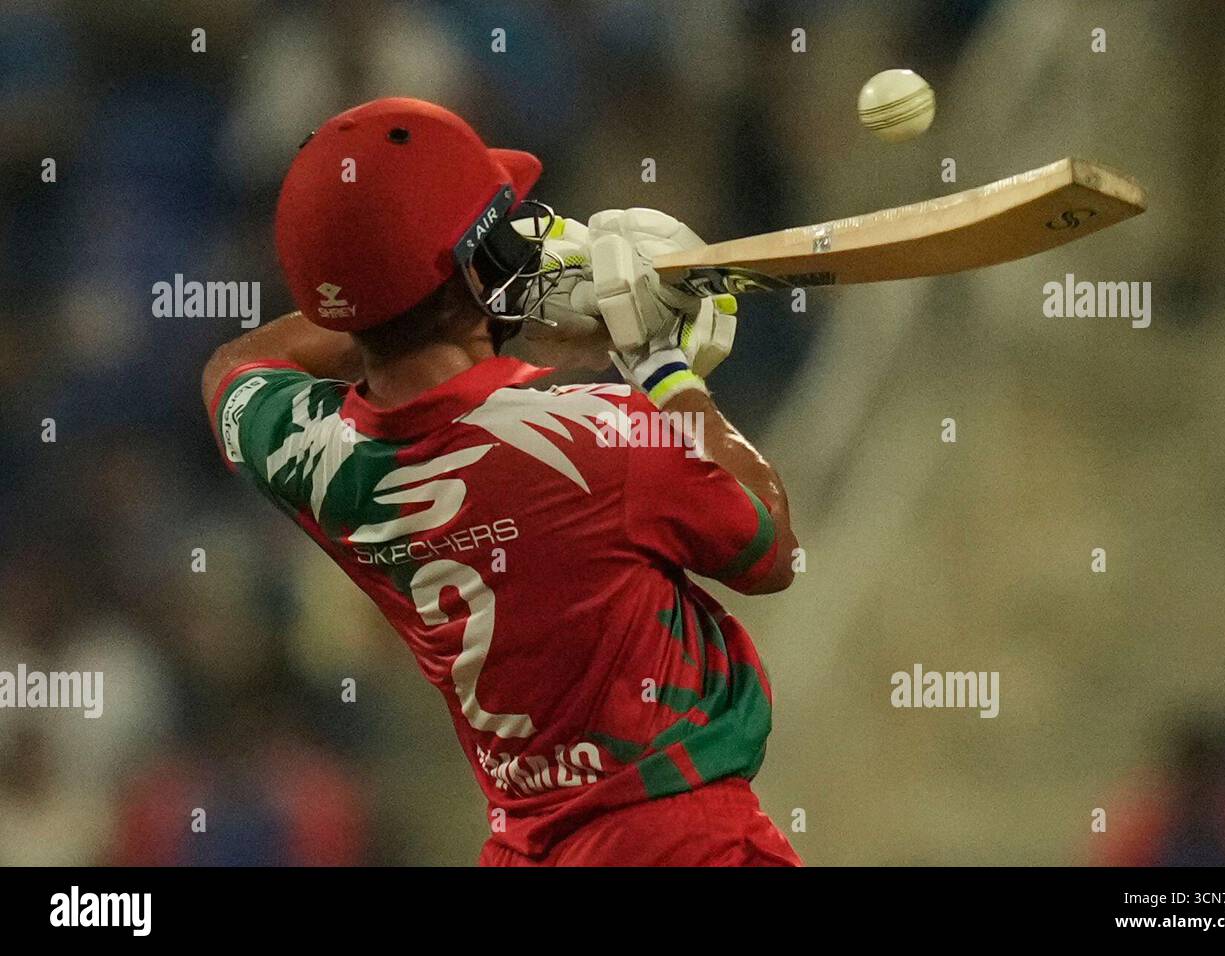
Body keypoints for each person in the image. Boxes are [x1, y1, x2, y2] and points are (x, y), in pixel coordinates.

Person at [201, 97, 801, 866]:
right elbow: (771, 550)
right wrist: (659, 364)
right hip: (686, 843)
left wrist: (465, 301)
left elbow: (233, 368)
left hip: (526, 848)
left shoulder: (311, 459)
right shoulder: (596, 436)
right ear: (470, 270)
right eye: (506, 231)